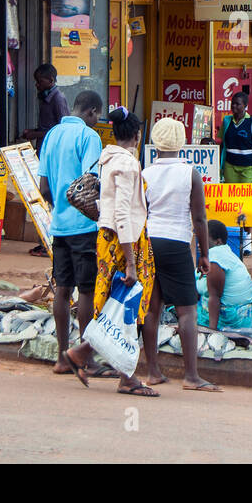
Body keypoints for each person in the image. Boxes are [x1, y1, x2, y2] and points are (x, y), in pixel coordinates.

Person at [60, 107, 160, 397]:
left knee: (115, 306)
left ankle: (82, 353)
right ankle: (126, 377)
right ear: (138, 136)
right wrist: (130, 263)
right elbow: (124, 214)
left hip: (107, 239)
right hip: (126, 243)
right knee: (130, 308)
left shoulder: (107, 159)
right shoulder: (127, 165)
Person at [140, 117, 219, 392]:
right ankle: (191, 376)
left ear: (155, 143)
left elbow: (141, 212)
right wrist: (204, 254)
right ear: (182, 143)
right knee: (187, 311)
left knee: (152, 308)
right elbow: (199, 218)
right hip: (176, 243)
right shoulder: (190, 173)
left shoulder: (146, 173)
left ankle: (152, 371)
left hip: (150, 241)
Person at [37, 89, 105, 379]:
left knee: (62, 288)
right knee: (87, 289)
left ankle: (62, 356)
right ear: (90, 112)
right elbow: (91, 182)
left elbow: (42, 187)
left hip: (59, 225)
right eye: (97, 116)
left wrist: (60, 207)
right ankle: (84, 356)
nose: (97, 121)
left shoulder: (52, 135)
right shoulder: (89, 137)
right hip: (84, 225)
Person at [197, 219, 252, 333]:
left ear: (217, 242)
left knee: (184, 310)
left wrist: (212, 332)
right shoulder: (226, 252)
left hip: (232, 319)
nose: (198, 244)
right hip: (248, 316)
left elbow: (215, 297)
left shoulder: (216, 256)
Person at [220, 91, 252, 184]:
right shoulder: (227, 121)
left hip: (248, 168)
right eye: (232, 103)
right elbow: (222, 144)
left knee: (246, 197)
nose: (234, 106)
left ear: (245, 106)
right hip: (230, 166)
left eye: (237, 104)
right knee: (231, 197)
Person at [23, 63, 69, 149]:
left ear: (51, 81)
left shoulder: (58, 99)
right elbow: (49, 126)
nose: (37, 85)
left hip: (52, 148)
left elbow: (63, 129)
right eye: (36, 81)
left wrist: (36, 134)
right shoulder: (47, 97)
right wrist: (34, 131)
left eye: (40, 81)